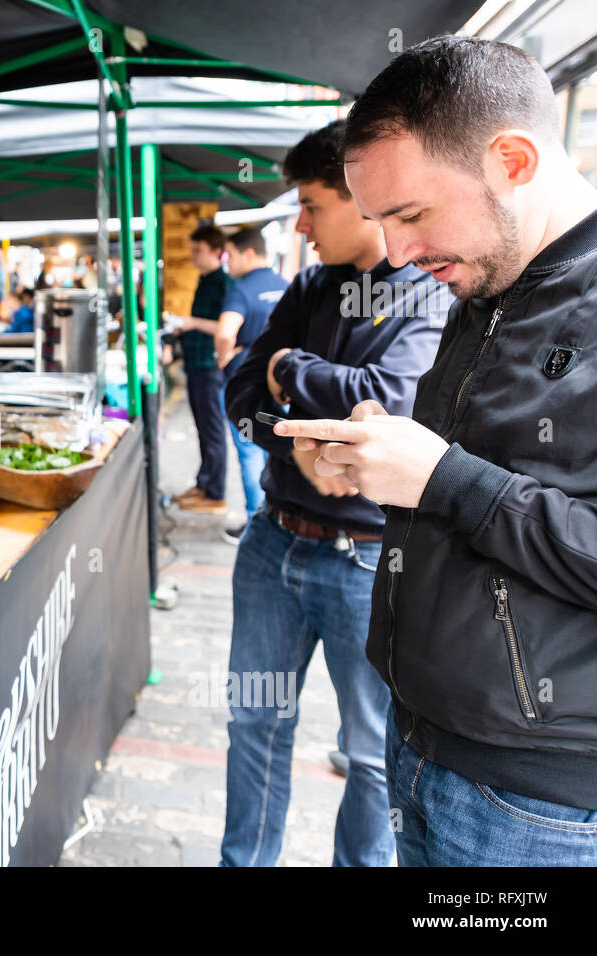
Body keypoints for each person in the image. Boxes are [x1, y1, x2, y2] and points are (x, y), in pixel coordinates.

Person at [277, 36, 597, 867]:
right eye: (381, 222)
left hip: (540, 803)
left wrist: (443, 480)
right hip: (419, 744)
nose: (395, 254)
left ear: (514, 159)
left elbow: (470, 490)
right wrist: (373, 473)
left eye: (411, 215)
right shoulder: (484, 285)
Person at [221, 120, 451, 867]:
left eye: (312, 205)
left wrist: (290, 368)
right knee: (255, 726)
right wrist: (298, 430)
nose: (299, 224)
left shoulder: (425, 291)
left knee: (372, 753)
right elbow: (239, 390)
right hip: (273, 545)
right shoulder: (312, 284)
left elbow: (387, 400)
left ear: (359, 197)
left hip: (366, 562)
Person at [211, 226, 288, 540]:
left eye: (229, 255)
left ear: (248, 253)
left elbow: (225, 332)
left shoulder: (240, 289)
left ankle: (258, 528)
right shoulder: (287, 285)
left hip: (246, 385)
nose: (227, 263)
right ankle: (280, 518)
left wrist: (223, 356)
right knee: (279, 448)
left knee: (249, 452)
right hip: (283, 384)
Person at [171, 225, 232, 514]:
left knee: (212, 429)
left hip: (210, 365)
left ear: (216, 252)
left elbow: (226, 327)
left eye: (198, 250)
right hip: (195, 363)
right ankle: (204, 483)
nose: (193, 256)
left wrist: (192, 323)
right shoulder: (204, 279)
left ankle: (215, 492)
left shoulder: (224, 283)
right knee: (202, 429)